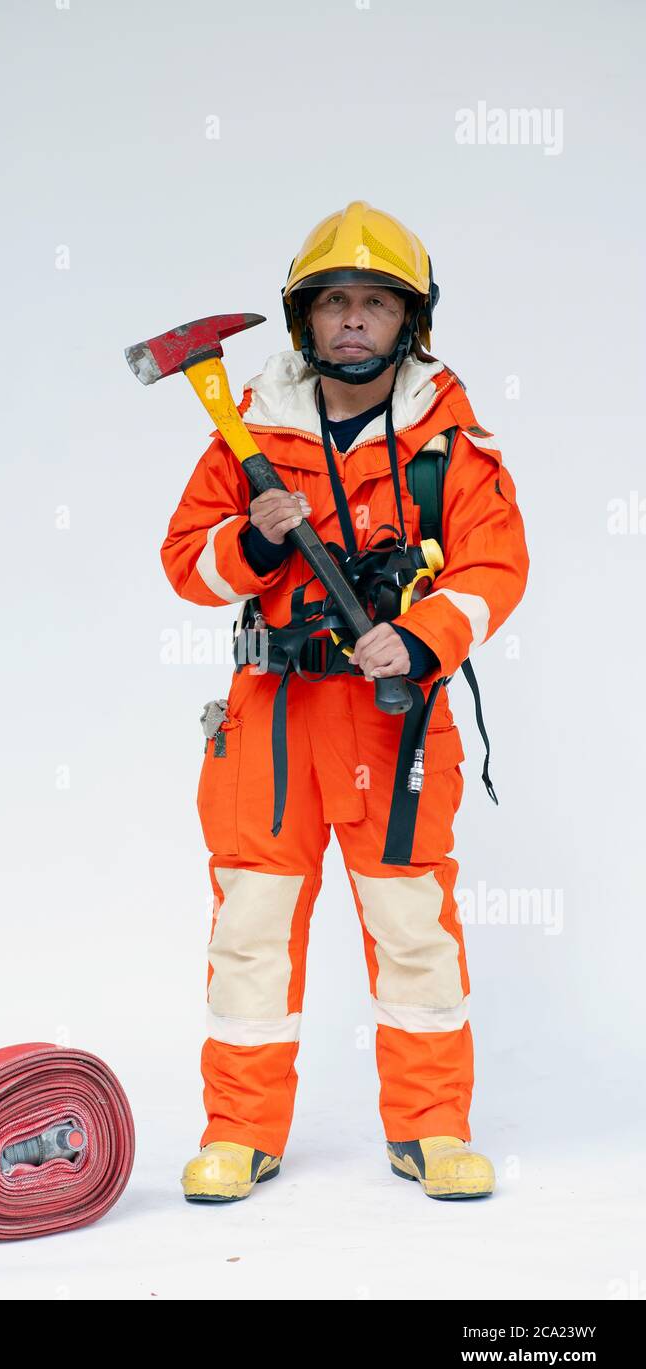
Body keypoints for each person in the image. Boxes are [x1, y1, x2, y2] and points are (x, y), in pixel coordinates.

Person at [160, 201, 529, 1203]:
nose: (353, 320)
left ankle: (431, 1127)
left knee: (411, 921)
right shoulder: (249, 429)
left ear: (408, 320)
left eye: (374, 301)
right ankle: (239, 1130)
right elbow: (184, 562)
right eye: (334, 303)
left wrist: (414, 636)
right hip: (270, 718)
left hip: (393, 717)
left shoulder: (448, 437)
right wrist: (261, 542)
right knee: (252, 925)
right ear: (304, 320)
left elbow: (497, 567)